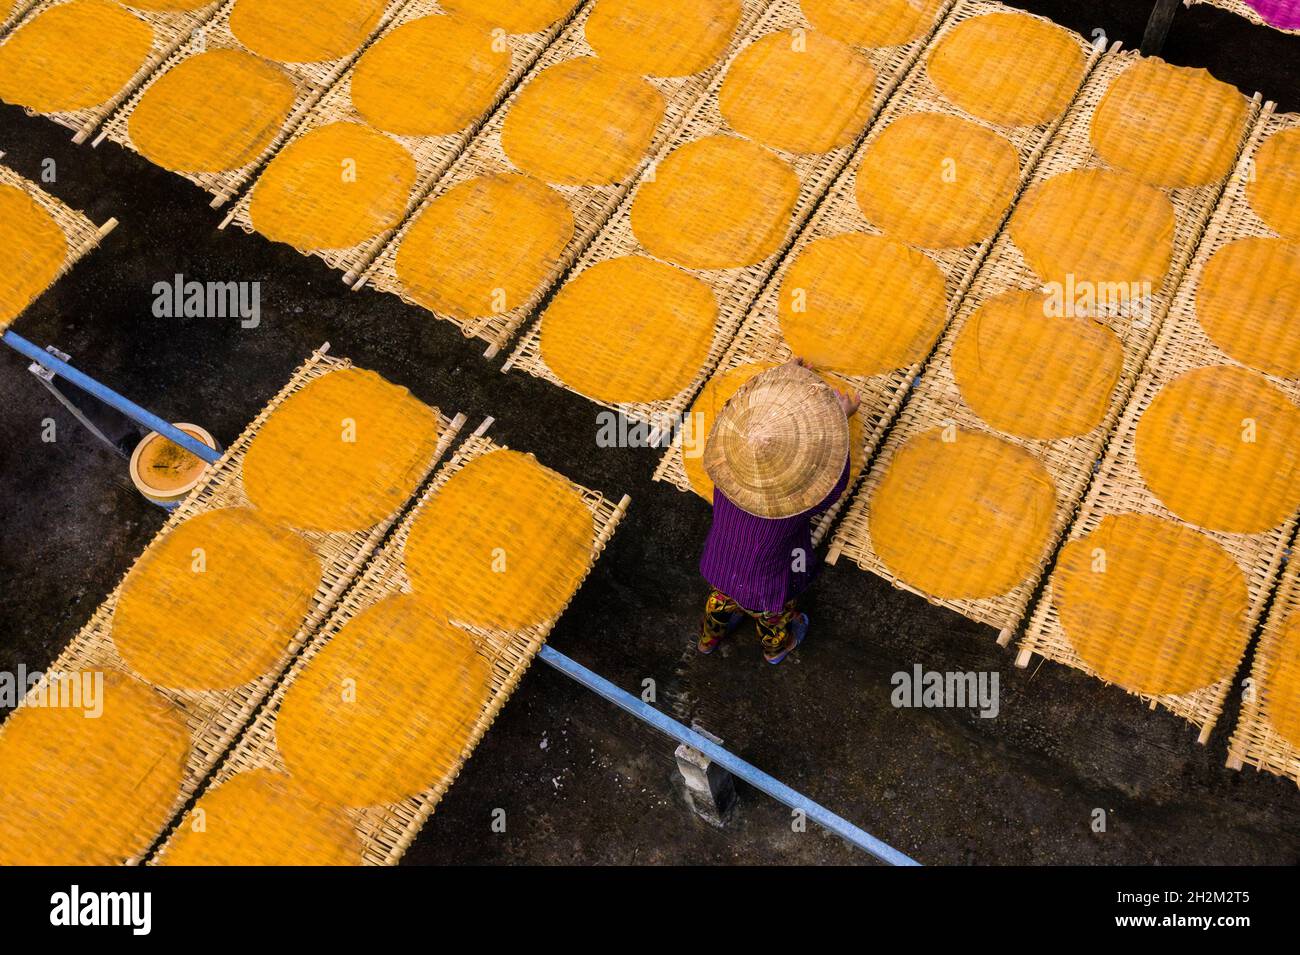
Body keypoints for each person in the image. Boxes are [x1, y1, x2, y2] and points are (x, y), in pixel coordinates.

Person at [696, 359, 860, 664]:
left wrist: (787, 378)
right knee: (772, 617)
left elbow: (752, 416)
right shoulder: (791, 508)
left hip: (721, 563)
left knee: (719, 602)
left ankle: (708, 640)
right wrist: (838, 417)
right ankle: (775, 648)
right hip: (765, 584)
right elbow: (833, 485)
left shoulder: (727, 474)